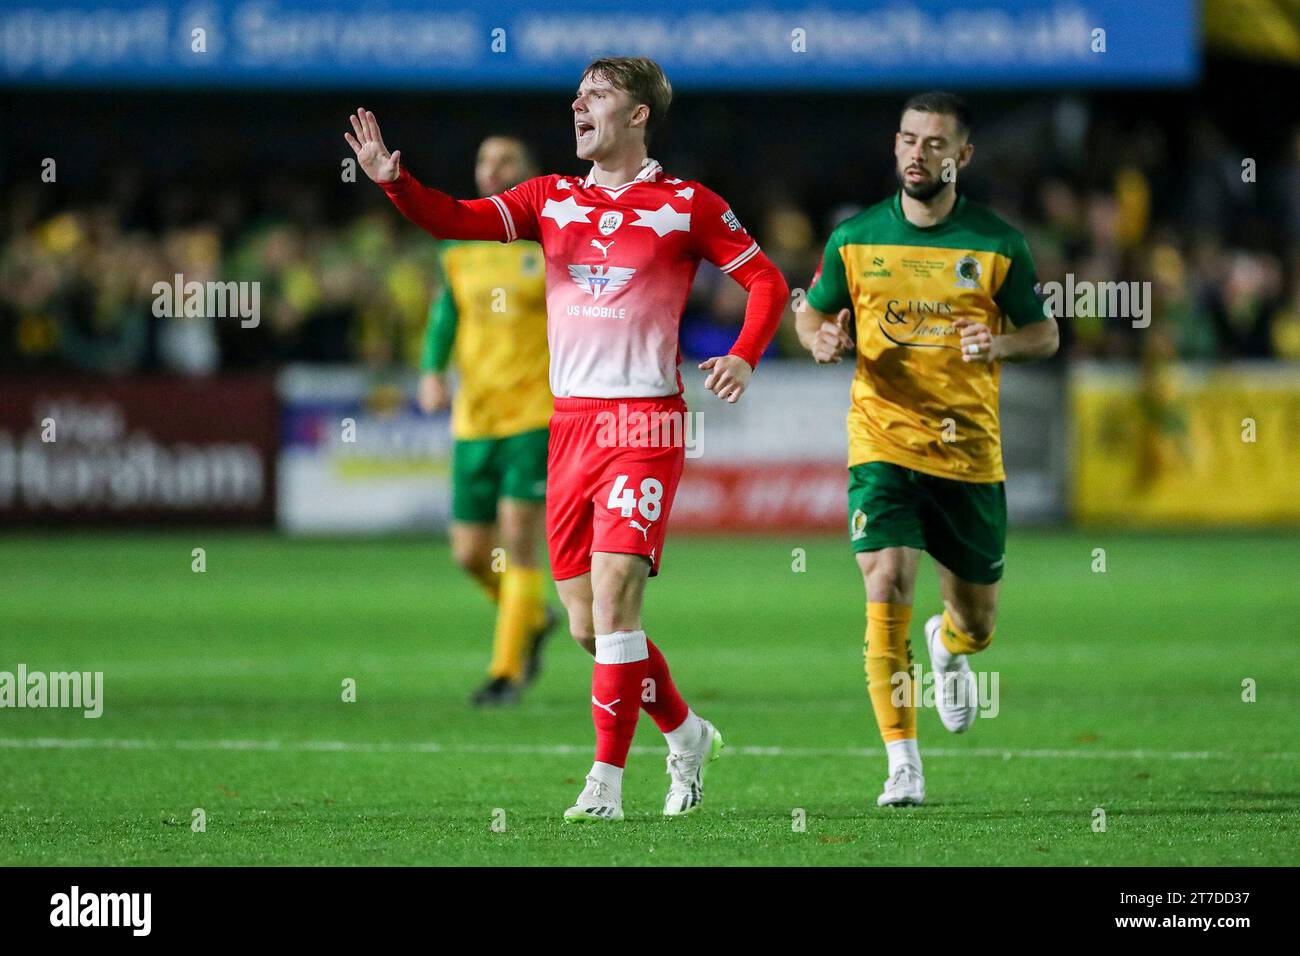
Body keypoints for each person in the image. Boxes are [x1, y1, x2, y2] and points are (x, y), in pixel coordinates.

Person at [345, 56, 788, 821]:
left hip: (644, 422)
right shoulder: (549, 199)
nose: (577, 105)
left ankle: (604, 786)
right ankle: (685, 734)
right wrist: (394, 180)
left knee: (617, 599)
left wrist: (745, 355)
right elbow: (456, 220)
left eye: (597, 95)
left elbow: (768, 283)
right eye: (577, 95)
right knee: (589, 626)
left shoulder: (688, 205)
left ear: (639, 114)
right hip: (571, 426)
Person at [796, 91, 1059, 807]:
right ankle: (902, 763)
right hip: (882, 441)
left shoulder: (999, 244)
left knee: (977, 620)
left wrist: (999, 341)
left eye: (936, 143)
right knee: (884, 583)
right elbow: (812, 312)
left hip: (970, 457)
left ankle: (949, 648)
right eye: (910, 140)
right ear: (896, 146)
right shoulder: (853, 239)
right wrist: (819, 338)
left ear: (962, 156)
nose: (919, 153)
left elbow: (1046, 334)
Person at [417, 135, 556, 707]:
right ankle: (531, 616)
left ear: (528, 174)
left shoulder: (551, 237)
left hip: (535, 413)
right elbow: (447, 311)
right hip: (474, 418)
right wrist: (431, 369)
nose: (491, 169)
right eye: (483, 160)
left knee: (518, 544)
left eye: (506, 161)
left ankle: (506, 672)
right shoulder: (458, 244)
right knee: (471, 554)